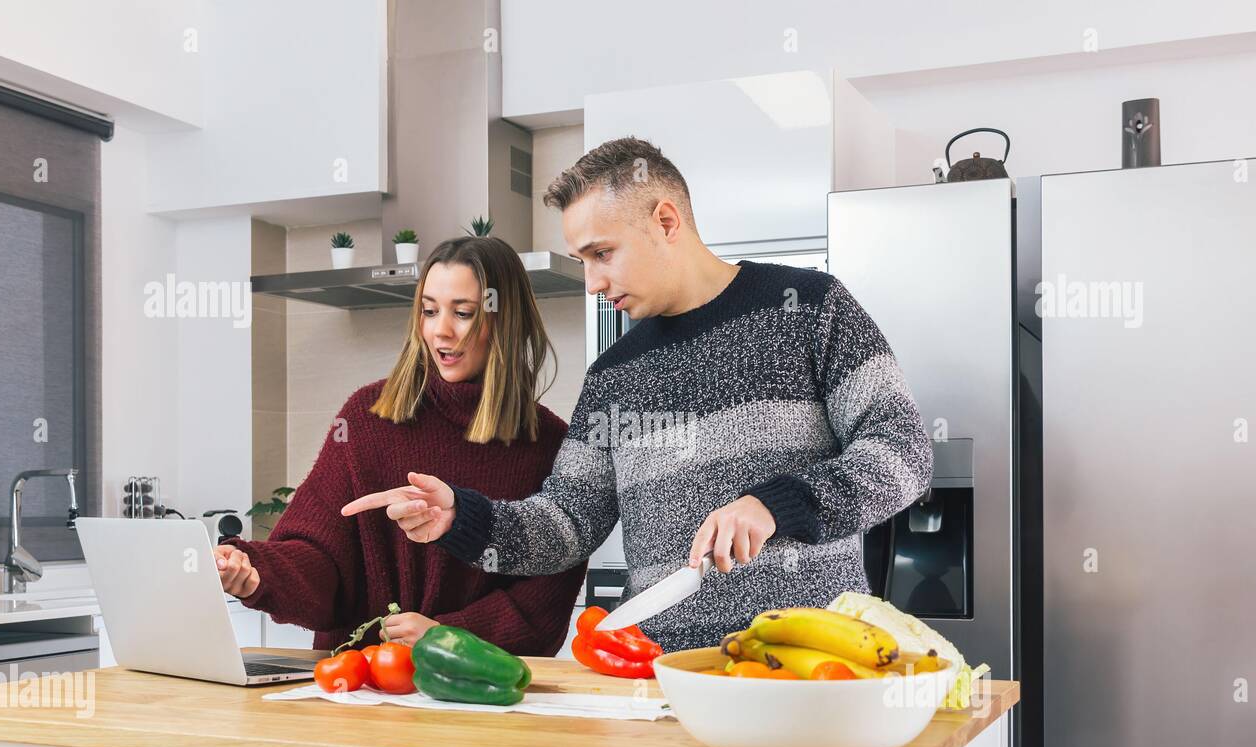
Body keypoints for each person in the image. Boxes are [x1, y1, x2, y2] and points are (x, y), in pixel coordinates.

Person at [342, 137, 933, 651]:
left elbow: (904, 453)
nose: (593, 281)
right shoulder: (614, 376)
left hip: (812, 663)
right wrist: (460, 517)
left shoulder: (811, 308)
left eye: (602, 254)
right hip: (657, 681)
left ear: (666, 222)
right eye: (582, 260)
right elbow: (564, 526)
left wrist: (778, 505)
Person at [214, 236, 586, 654]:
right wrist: (258, 571)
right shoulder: (367, 417)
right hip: (359, 686)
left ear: (505, 318)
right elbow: (319, 560)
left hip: (475, 694)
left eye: (462, 312)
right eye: (429, 311)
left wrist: (447, 636)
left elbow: (542, 612)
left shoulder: (550, 445)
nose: (440, 330)